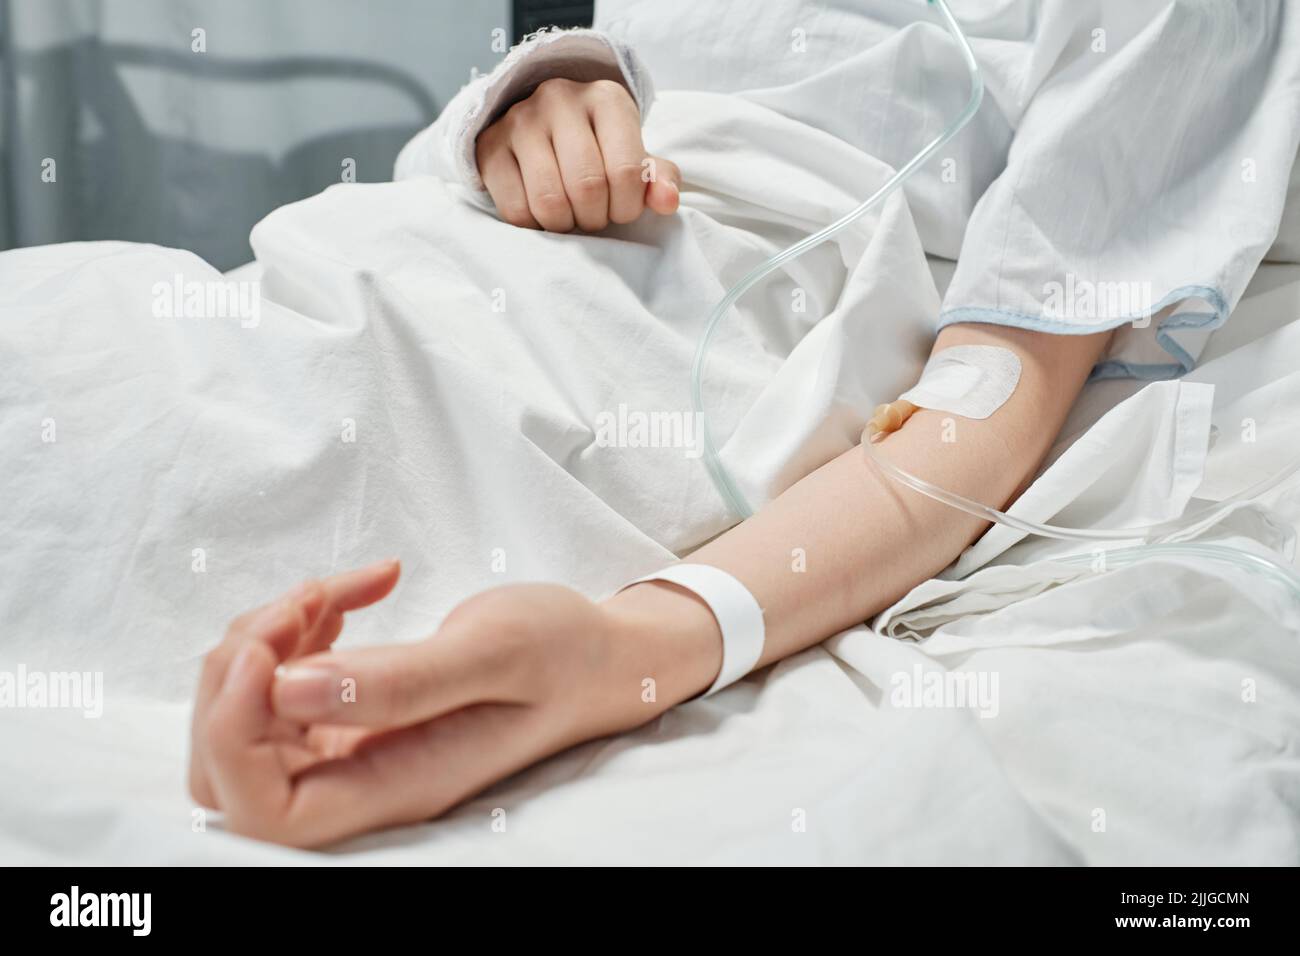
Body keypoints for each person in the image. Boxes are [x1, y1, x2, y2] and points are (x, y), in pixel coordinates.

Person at [188, 0, 1300, 846]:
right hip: (362, 274)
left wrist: (624, 651)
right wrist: (552, 99)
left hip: (597, 386)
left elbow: (982, 411)